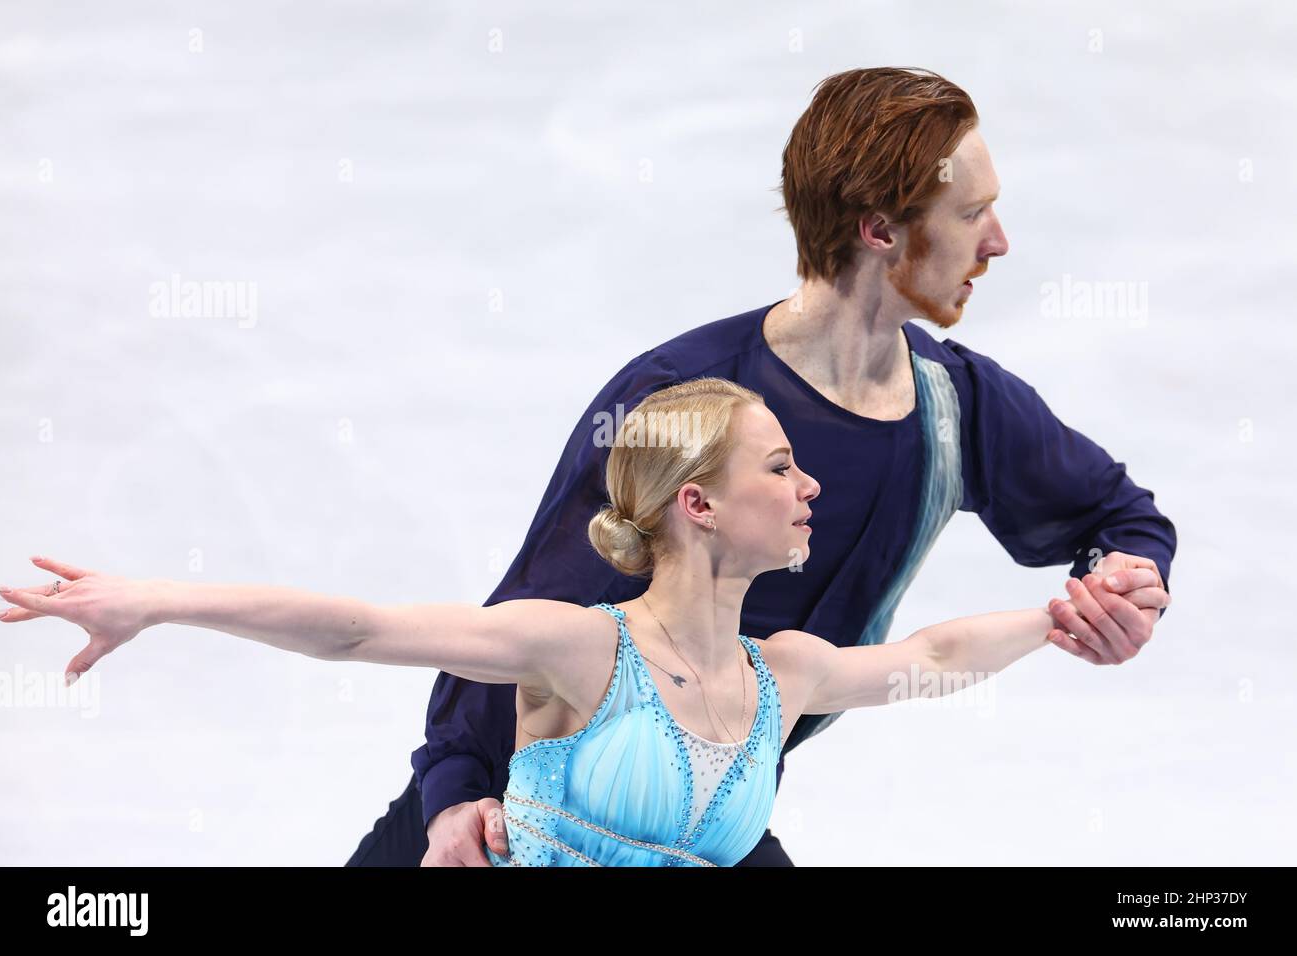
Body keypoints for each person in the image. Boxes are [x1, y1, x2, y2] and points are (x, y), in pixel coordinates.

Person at [343, 66, 1178, 866]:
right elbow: (530, 614)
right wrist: (453, 797)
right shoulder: (688, 402)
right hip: (517, 810)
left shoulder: (958, 409)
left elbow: (1123, 522)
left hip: (708, 817)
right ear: (880, 229)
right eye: (971, 214)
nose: (998, 242)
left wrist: (1118, 589)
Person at [0, 379, 1171, 866]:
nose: (812, 484)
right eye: (782, 465)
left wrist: (1058, 612)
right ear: (698, 504)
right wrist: (156, 597)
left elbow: (926, 659)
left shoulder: (789, 671)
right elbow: (356, 628)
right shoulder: (578, 645)